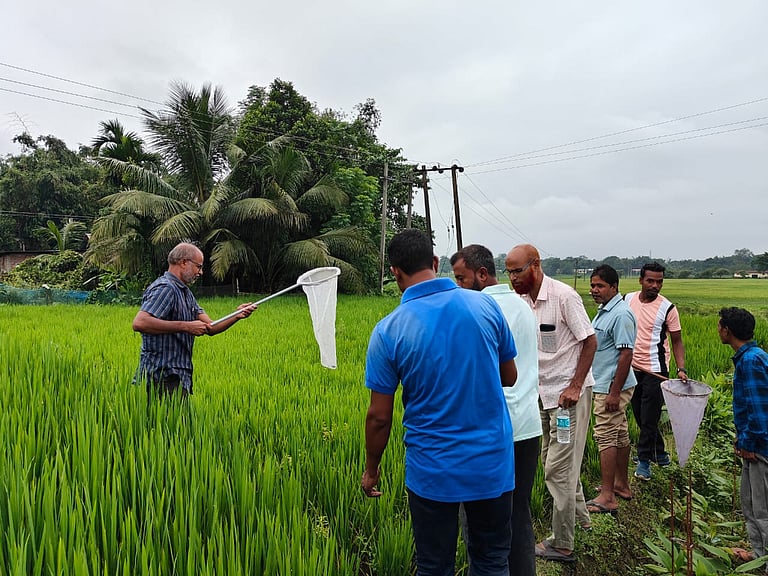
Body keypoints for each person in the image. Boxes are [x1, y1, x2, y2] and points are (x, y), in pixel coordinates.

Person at [362, 229, 518, 576]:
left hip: (432, 469)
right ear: (435, 262)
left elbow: (379, 418)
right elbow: (510, 376)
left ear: (395, 273)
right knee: (492, 561)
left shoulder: (389, 330)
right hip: (491, 463)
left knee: (434, 566)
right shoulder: (485, 305)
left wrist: (372, 469)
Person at [451, 244, 542, 576]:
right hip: (528, 427)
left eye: (461, 278)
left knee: (478, 520)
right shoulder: (522, 308)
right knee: (518, 515)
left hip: (491, 430)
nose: (457, 286)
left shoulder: (476, 311)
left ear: (482, 274)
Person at [504, 244, 596, 563]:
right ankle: (584, 523)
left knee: (557, 469)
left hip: (567, 399)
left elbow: (590, 340)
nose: (513, 278)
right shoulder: (520, 302)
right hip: (541, 396)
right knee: (556, 462)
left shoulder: (563, 296)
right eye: (509, 272)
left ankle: (563, 543)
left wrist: (575, 385)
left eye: (518, 271)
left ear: (535, 265)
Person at [133, 242, 256, 397]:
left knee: (179, 421)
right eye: (198, 266)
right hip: (161, 377)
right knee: (170, 421)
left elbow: (210, 327)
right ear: (184, 262)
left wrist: (237, 315)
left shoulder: (184, 292)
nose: (201, 272)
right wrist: (186, 326)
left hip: (177, 377)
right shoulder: (166, 288)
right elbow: (140, 323)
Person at [625, 262, 687, 480]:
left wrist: (681, 368)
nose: (655, 285)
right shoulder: (627, 300)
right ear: (641, 280)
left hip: (656, 370)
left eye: (659, 281)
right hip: (632, 368)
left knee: (649, 418)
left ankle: (644, 462)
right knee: (640, 416)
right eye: (650, 280)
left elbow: (677, 341)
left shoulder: (668, 308)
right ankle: (659, 453)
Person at [718, 307, 768, 565]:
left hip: (760, 447)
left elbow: (759, 409)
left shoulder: (750, 361)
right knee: (750, 504)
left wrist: (748, 443)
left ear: (727, 330)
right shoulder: (750, 357)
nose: (718, 330)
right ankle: (759, 555)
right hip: (754, 443)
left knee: (762, 509)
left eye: (720, 326)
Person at [587, 265, 637, 514]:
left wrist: (614, 392)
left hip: (610, 385)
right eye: (593, 285)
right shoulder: (605, 311)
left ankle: (607, 497)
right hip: (608, 383)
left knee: (605, 435)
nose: (594, 290)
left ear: (614, 287)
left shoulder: (621, 314)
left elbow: (626, 354)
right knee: (619, 434)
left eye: (600, 286)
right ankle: (621, 485)